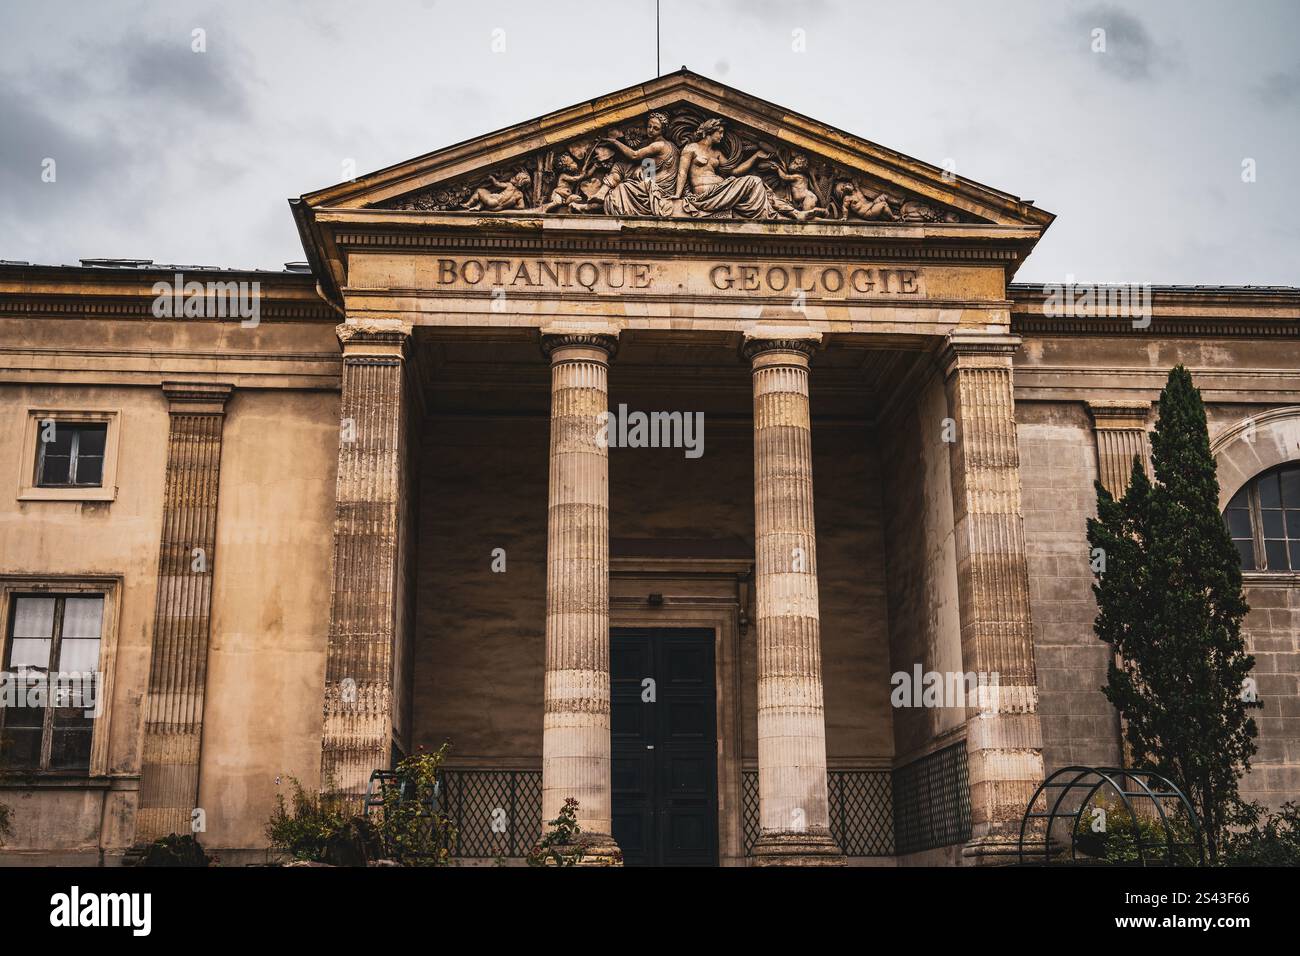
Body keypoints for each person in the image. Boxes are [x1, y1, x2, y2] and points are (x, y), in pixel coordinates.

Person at [672, 118, 780, 220]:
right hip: (706, 194)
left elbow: (735, 171)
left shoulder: (717, 153)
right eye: (720, 132)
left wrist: (755, 156)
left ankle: (765, 214)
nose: (722, 136)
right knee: (754, 181)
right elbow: (682, 171)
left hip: (722, 189)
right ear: (710, 130)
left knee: (755, 181)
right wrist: (678, 194)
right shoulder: (691, 148)